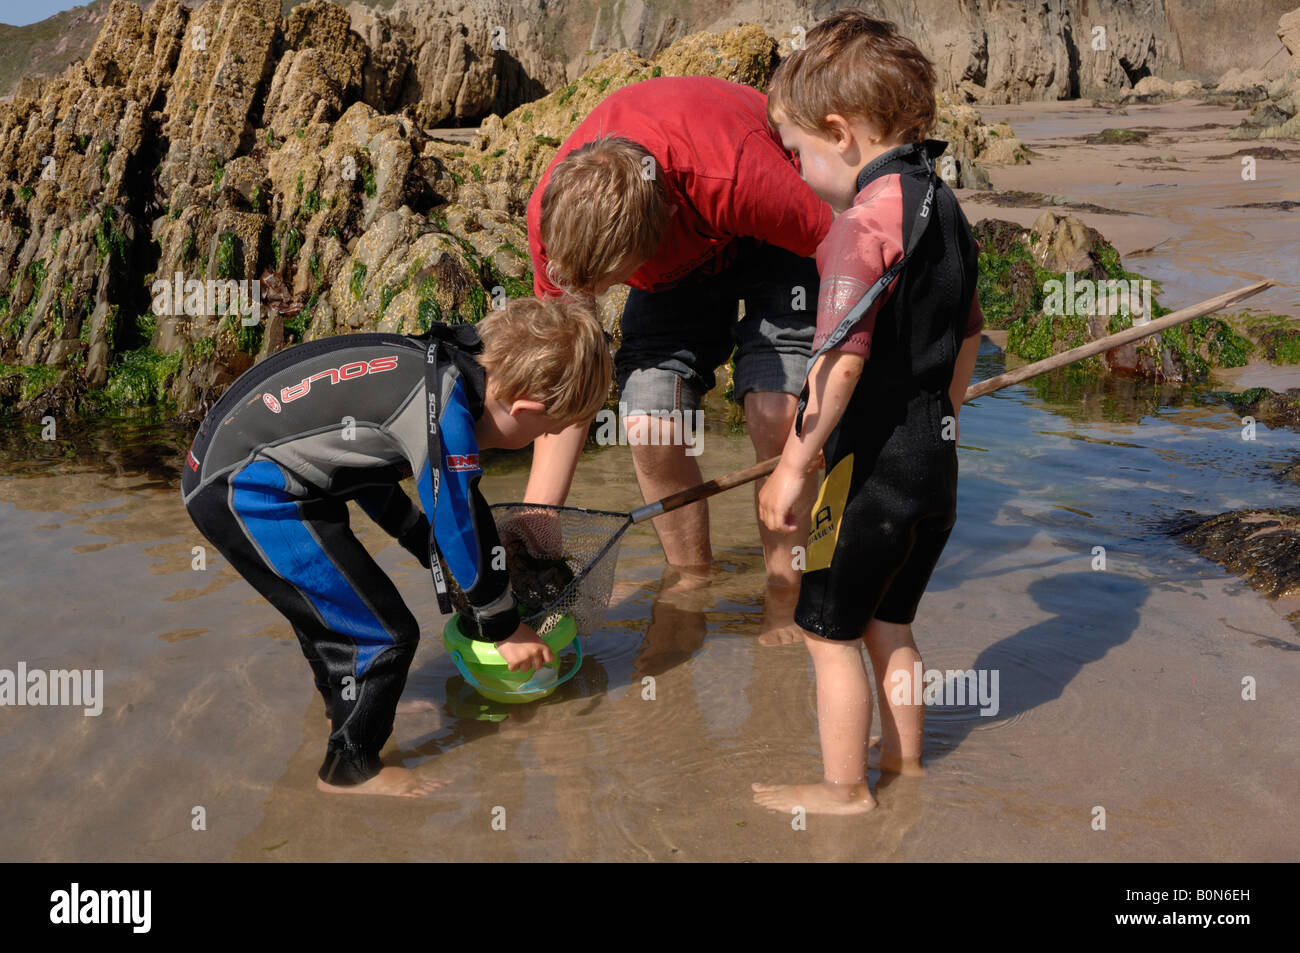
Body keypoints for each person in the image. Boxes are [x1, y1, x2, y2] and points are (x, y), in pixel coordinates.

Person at [180, 298, 612, 797]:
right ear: (525, 410)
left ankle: (344, 712)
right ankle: (350, 770)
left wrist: (416, 539)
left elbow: (363, 469)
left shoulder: (437, 367)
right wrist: (503, 624)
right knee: (383, 634)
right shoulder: (443, 414)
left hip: (246, 469)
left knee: (337, 616)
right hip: (245, 491)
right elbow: (458, 515)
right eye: (549, 430)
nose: (549, 437)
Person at [752, 11, 985, 814]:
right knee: (892, 624)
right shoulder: (946, 209)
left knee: (828, 632)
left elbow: (840, 357)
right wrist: (942, 419)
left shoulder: (860, 224)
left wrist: (791, 467)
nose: (796, 169)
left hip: (870, 473)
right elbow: (971, 335)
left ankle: (843, 788)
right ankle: (907, 765)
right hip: (934, 465)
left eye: (797, 151)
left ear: (841, 133)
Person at [523, 75, 834, 634]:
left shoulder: (739, 176)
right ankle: (692, 581)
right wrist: (540, 517)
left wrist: (842, 394)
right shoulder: (554, 223)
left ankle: (787, 589)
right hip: (681, 263)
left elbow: (849, 261)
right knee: (648, 423)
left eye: (612, 282)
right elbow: (567, 380)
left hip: (777, 240)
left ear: (660, 229)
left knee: (773, 411)